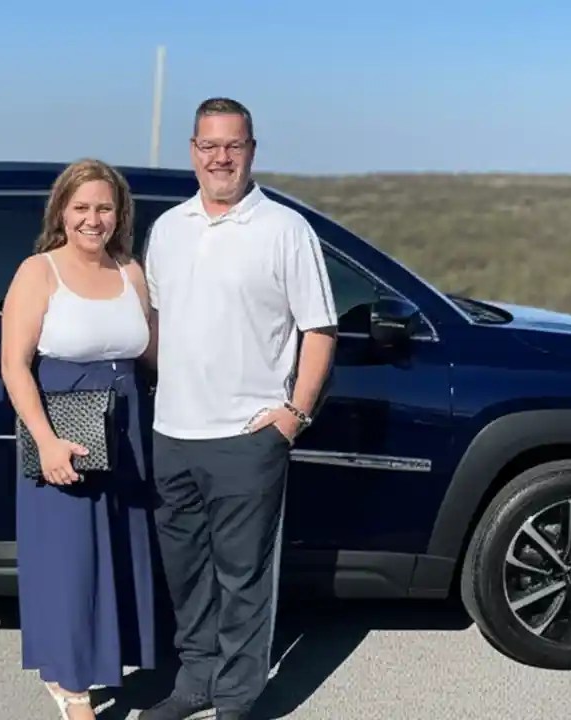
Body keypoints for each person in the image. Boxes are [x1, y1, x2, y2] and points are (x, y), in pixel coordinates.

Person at [138, 98, 339, 720]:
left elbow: (319, 329)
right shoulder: (167, 229)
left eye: (233, 145)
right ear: (192, 151)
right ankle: (195, 681)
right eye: (209, 145)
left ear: (252, 150)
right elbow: (156, 322)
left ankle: (236, 699)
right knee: (187, 573)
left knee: (244, 579)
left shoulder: (285, 230)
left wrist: (294, 415)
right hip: (173, 433)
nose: (220, 157)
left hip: (248, 438)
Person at [0, 158, 159, 720]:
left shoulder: (131, 271)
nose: (94, 219)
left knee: (117, 556)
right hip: (67, 429)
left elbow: (154, 355)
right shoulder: (38, 272)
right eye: (82, 207)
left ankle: (107, 661)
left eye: (105, 208)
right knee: (68, 564)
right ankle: (69, 685)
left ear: (120, 214)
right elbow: (15, 366)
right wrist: (45, 441)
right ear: (61, 212)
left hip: (129, 432)